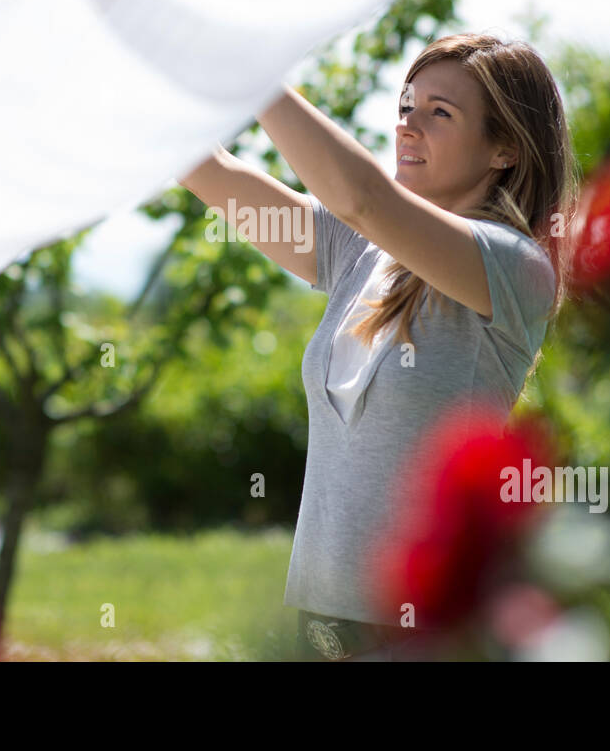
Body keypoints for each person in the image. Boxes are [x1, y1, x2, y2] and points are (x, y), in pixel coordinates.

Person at [177, 33, 578, 660]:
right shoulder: (361, 252)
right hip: (317, 620)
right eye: (406, 107)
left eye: (439, 113)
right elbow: (215, 175)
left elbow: (361, 196)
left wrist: (249, 60)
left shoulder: (514, 267)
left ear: (504, 148)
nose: (407, 127)